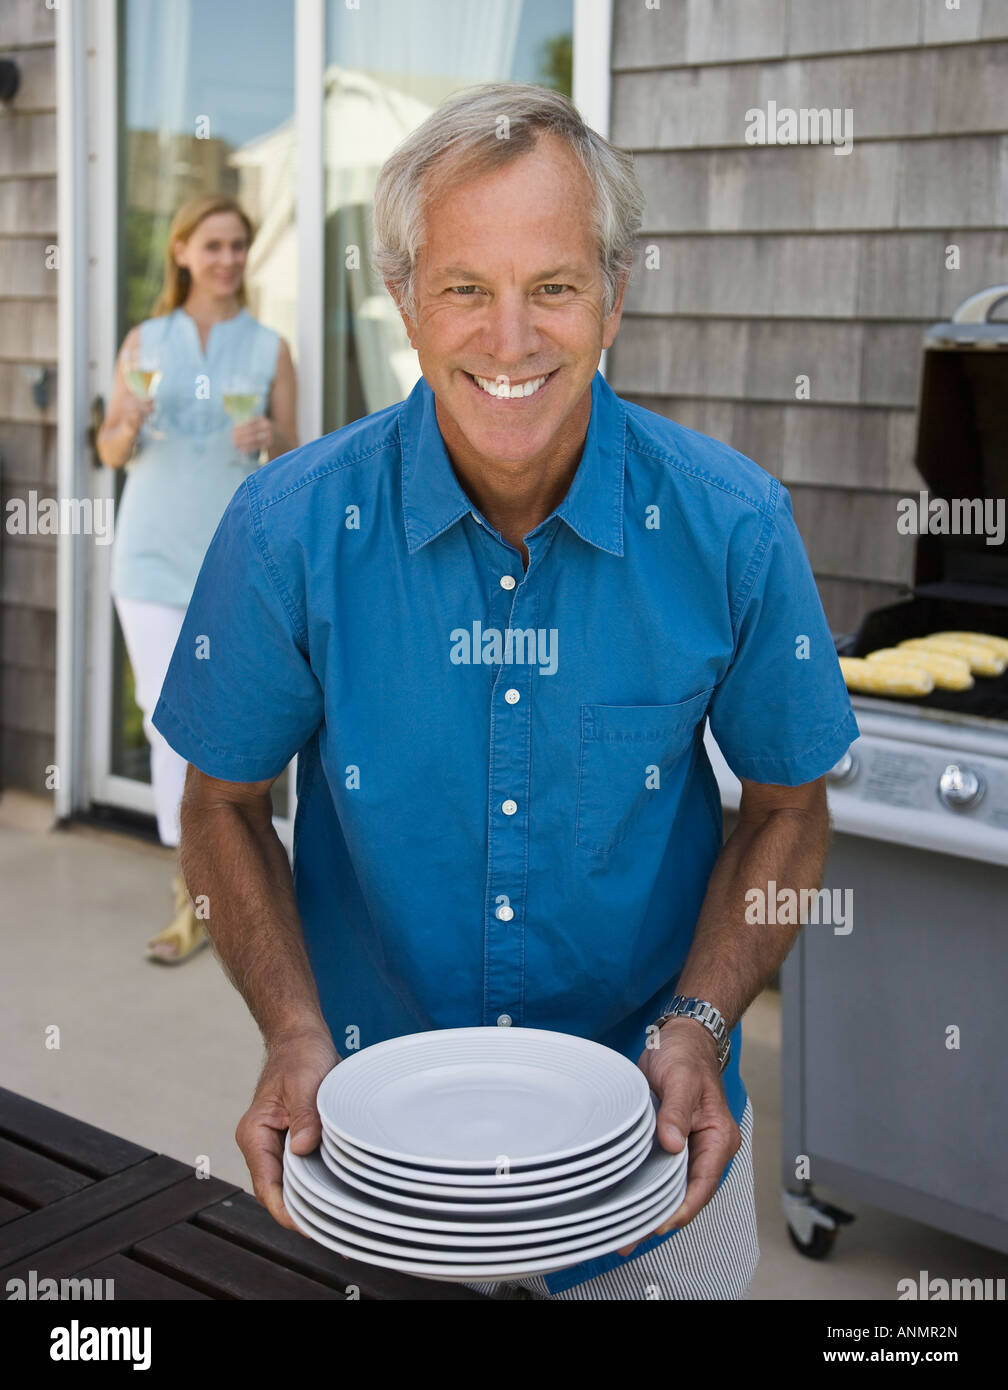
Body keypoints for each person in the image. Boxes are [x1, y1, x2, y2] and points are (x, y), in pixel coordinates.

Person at [151, 85, 859, 1298]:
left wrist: (700, 1023)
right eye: (467, 288)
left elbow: (789, 808)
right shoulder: (287, 530)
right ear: (405, 302)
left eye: (555, 287)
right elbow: (220, 805)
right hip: (374, 1160)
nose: (512, 337)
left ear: (614, 298)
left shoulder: (731, 525)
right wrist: (291, 1029)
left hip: (660, 1160)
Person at [97, 193, 298, 963]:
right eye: (212, 245)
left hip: (233, 565)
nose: (228, 259)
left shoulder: (270, 347)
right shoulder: (145, 340)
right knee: (164, 723)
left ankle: (238, 883)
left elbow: (296, 458)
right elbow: (111, 451)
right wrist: (126, 425)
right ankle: (192, 898)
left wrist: (273, 436)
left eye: (239, 245)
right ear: (182, 252)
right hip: (149, 558)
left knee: (230, 728)